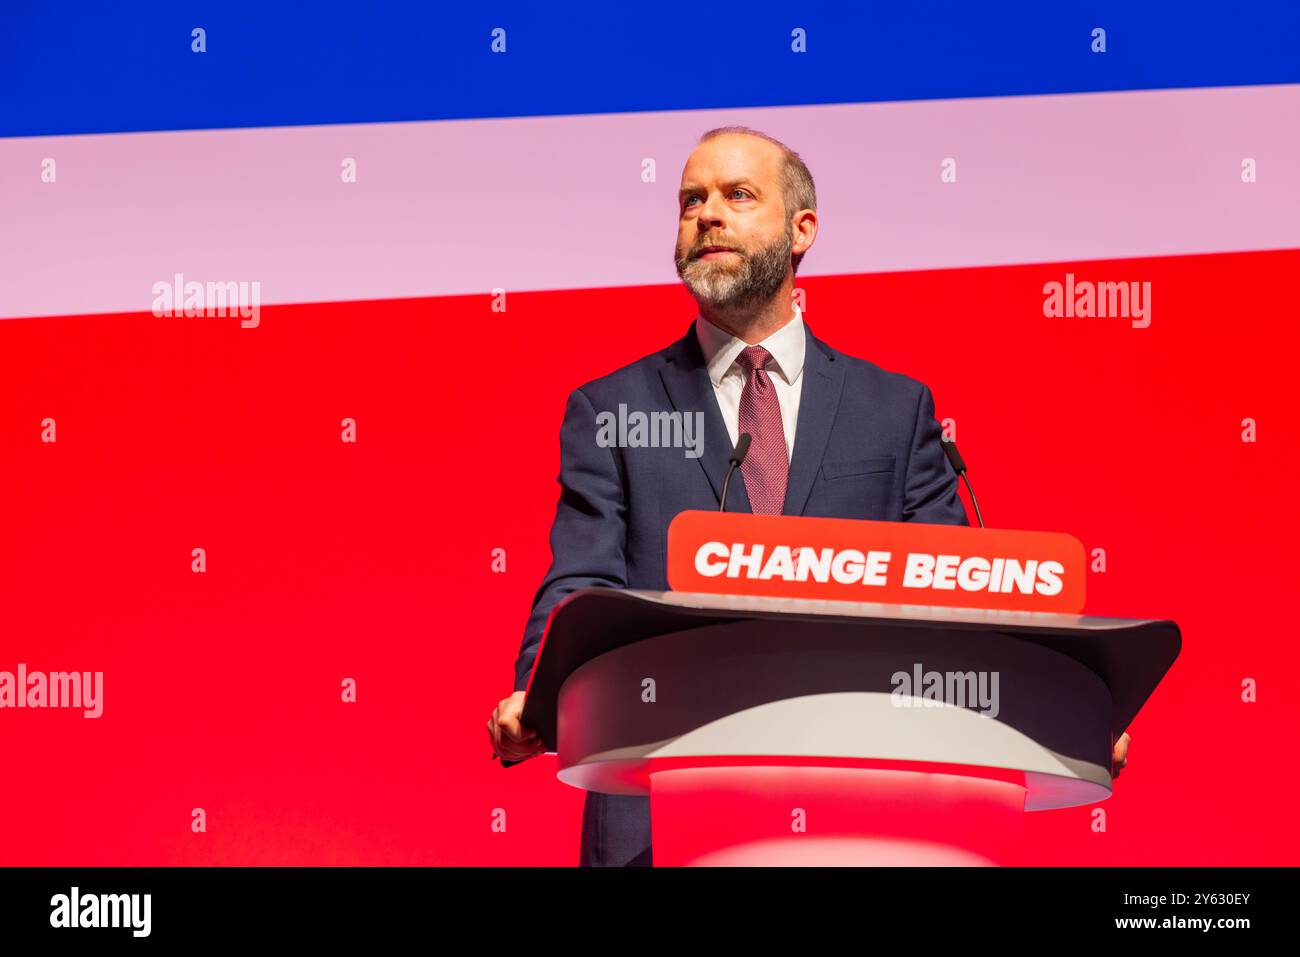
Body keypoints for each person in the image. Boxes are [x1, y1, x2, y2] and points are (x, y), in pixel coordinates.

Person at [486, 125, 1131, 865]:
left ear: (802, 230)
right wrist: (535, 698)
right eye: (691, 199)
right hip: (662, 819)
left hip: (864, 818)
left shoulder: (895, 410)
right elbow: (580, 583)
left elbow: (960, 603)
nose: (707, 214)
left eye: (738, 195)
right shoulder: (614, 409)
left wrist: (1057, 713)